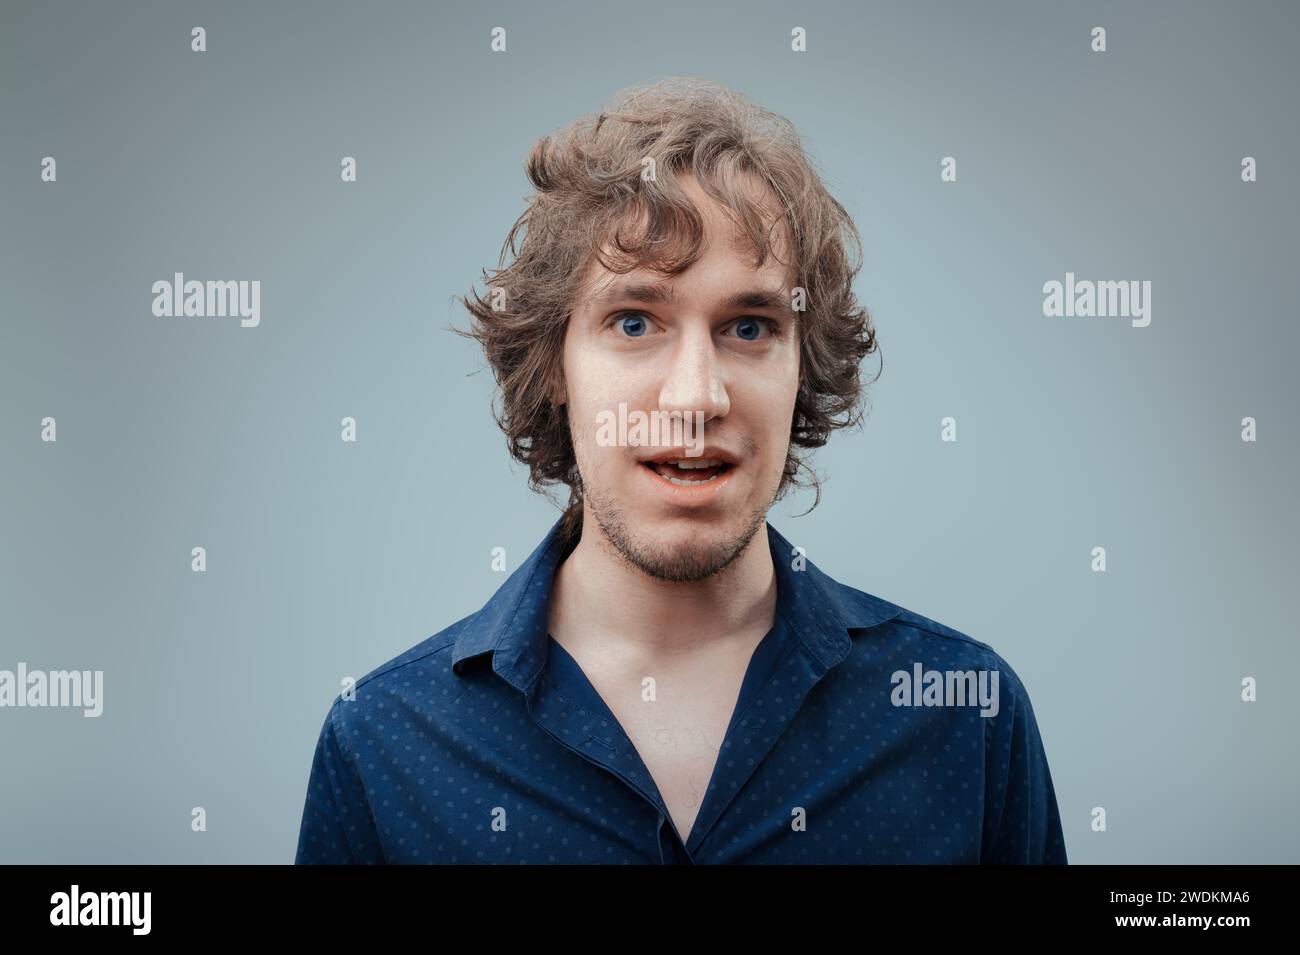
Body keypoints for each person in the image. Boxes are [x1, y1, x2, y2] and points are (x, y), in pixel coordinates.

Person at [295, 77, 1067, 864]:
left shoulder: (965, 718)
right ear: (554, 363)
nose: (697, 396)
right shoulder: (384, 744)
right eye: (635, 322)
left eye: (749, 327)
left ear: (803, 365)